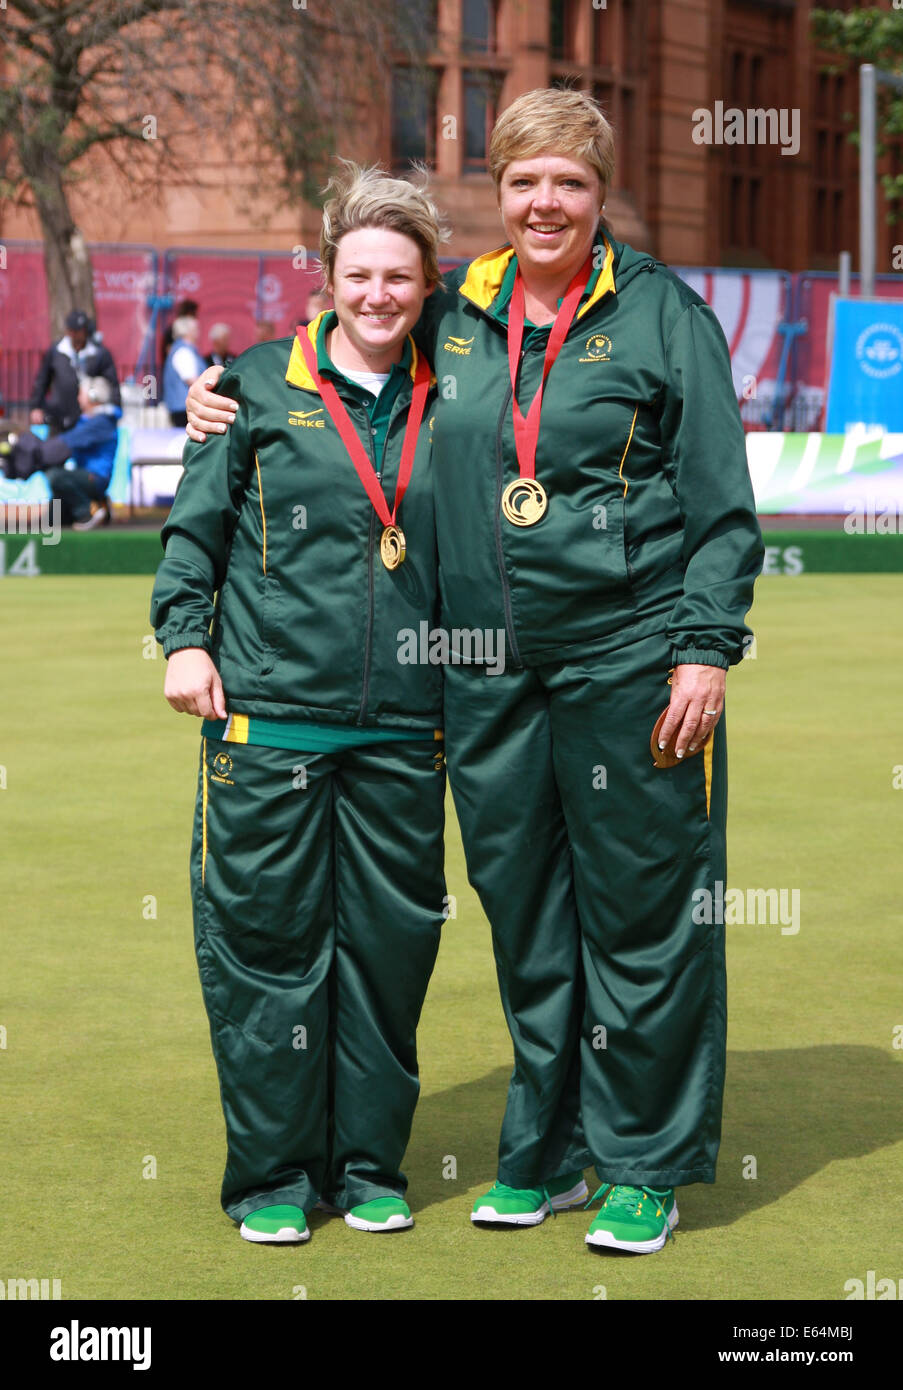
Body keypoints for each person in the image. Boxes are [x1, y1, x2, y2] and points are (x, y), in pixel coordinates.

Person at [186, 88, 765, 1256]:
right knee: (529, 923)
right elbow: (348, 351)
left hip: (628, 662)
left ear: (602, 195)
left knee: (643, 918)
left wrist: (703, 648)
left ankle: (641, 1164)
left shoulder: (663, 314)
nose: (545, 202)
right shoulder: (459, 314)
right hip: (486, 677)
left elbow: (721, 507)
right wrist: (225, 395)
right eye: (523, 182)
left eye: (570, 183)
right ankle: (546, 1154)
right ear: (496, 194)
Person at [150, 163, 447, 1245]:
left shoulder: (455, 384)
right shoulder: (253, 383)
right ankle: (272, 1177)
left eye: (398, 277)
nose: (377, 294)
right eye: (358, 274)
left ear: (427, 286)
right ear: (327, 278)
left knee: (386, 954)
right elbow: (198, 530)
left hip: (407, 728)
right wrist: (184, 639)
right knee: (268, 951)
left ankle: (366, 1166)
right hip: (268, 718)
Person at [6, 376, 120, 529]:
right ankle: (100, 504)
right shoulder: (92, 420)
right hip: (85, 475)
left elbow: (67, 442)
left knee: (54, 476)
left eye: (81, 394)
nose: (78, 399)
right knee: (52, 520)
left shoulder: (101, 422)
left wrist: (35, 452)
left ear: (93, 396)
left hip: (95, 477)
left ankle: (86, 512)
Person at [29, 309, 121, 433]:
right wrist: (36, 406)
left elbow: (112, 384)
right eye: (72, 330)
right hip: (59, 417)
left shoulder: (99, 354)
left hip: (90, 419)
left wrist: (113, 408)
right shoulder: (56, 351)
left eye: (78, 331)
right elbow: (42, 381)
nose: (75, 334)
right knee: (58, 448)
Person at [162, 316, 207, 427]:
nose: (198, 332)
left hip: (185, 409)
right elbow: (192, 380)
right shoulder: (183, 351)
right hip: (185, 410)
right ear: (188, 332)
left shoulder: (182, 349)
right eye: (196, 329)